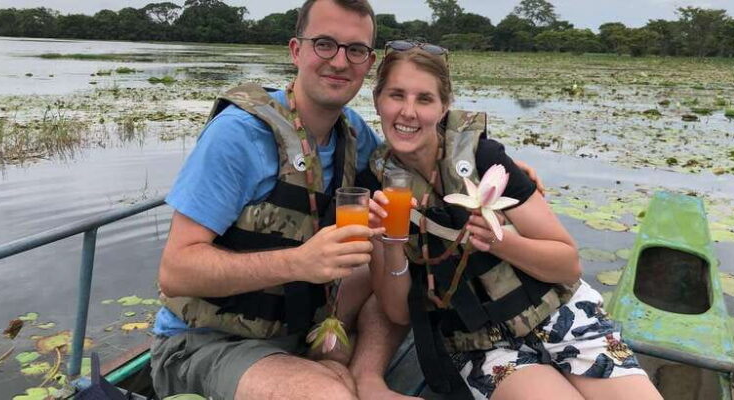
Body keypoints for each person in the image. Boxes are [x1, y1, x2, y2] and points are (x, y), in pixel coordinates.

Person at [364, 43, 664, 400]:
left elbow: (568, 264)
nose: (408, 111)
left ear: (444, 107)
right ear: (378, 99)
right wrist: (391, 243)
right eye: (396, 95)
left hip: (559, 313)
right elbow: (398, 313)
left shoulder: (486, 159)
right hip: (481, 344)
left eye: (424, 99)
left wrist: (500, 240)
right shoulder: (374, 188)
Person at [149, 1, 411, 399]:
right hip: (204, 343)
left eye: (355, 50)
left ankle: (363, 378)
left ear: (368, 63)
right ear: (296, 50)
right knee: (329, 395)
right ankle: (334, 377)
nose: (340, 61)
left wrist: (498, 182)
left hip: (298, 332)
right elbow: (175, 272)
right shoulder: (238, 135)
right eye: (325, 44)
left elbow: (415, 168)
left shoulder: (354, 135)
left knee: (398, 272)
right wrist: (299, 262)